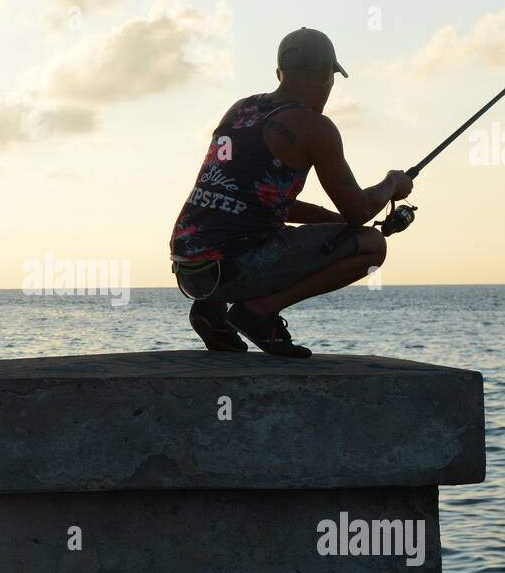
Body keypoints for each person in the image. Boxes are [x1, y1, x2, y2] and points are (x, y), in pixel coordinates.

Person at [170, 27, 413, 357]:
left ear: (279, 74)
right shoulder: (314, 127)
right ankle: (259, 312)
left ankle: (211, 310)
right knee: (372, 246)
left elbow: (256, 200)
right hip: (232, 268)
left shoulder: (242, 109)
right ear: (327, 73)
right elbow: (359, 210)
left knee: (262, 230)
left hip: (191, 270)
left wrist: (337, 222)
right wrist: (391, 184)